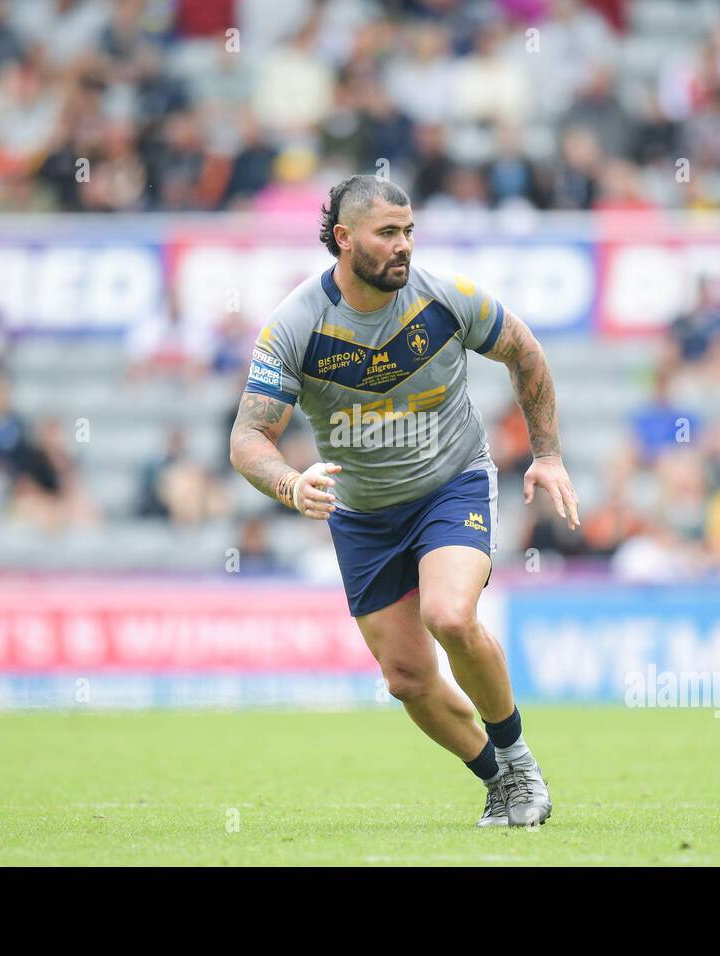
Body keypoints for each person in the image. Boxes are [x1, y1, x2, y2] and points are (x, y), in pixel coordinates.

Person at [229, 175, 579, 827]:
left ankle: (521, 763)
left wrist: (548, 454)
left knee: (450, 615)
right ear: (343, 239)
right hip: (361, 516)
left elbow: (525, 353)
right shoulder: (296, 326)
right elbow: (249, 436)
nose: (404, 246)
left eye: (409, 231)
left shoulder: (446, 297)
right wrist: (290, 483)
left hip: (451, 485)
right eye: (388, 233)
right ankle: (499, 779)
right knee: (406, 679)